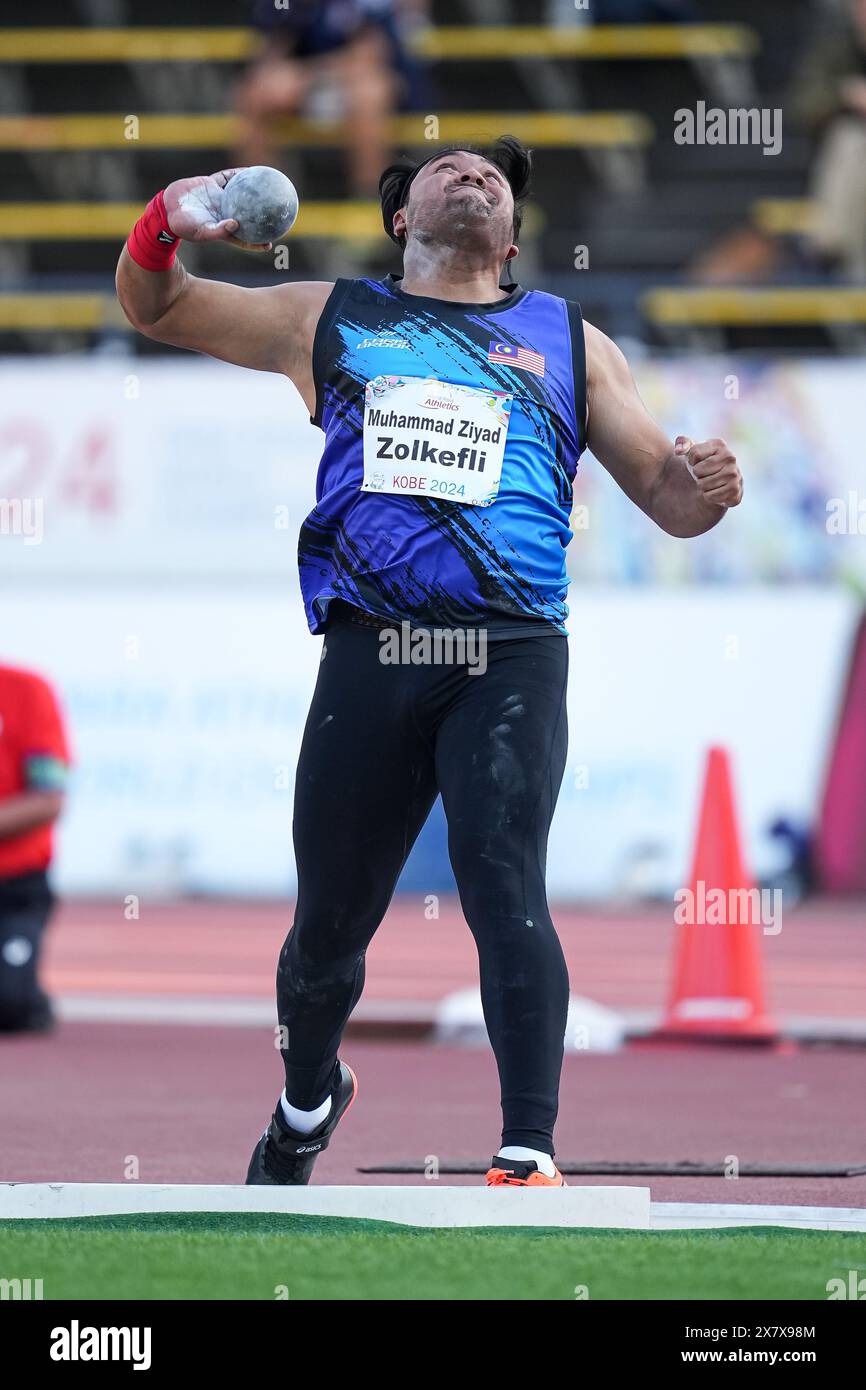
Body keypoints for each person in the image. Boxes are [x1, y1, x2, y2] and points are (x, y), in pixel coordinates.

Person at [116, 138, 742, 1187]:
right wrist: (172, 213)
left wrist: (707, 487)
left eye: (492, 176)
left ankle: (526, 1149)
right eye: (444, 169)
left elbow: (670, 502)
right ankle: (308, 1098)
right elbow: (156, 307)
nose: (474, 175)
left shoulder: (570, 342)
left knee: (505, 884)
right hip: (374, 647)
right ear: (400, 218)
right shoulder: (329, 316)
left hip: (509, 650)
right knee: (326, 933)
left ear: (511, 235)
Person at [236, 0, 424, 196]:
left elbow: (370, 57)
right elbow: (268, 57)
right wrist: (299, 79)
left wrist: (310, 74)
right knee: (255, 93)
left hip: (358, 81)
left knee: (369, 94)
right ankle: (260, 198)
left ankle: (371, 198)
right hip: (308, 82)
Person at [0, 663, 71, 1033]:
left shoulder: (26, 691)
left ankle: (25, 990)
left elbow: (49, 799)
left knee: (8, 1005)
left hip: (14, 888)